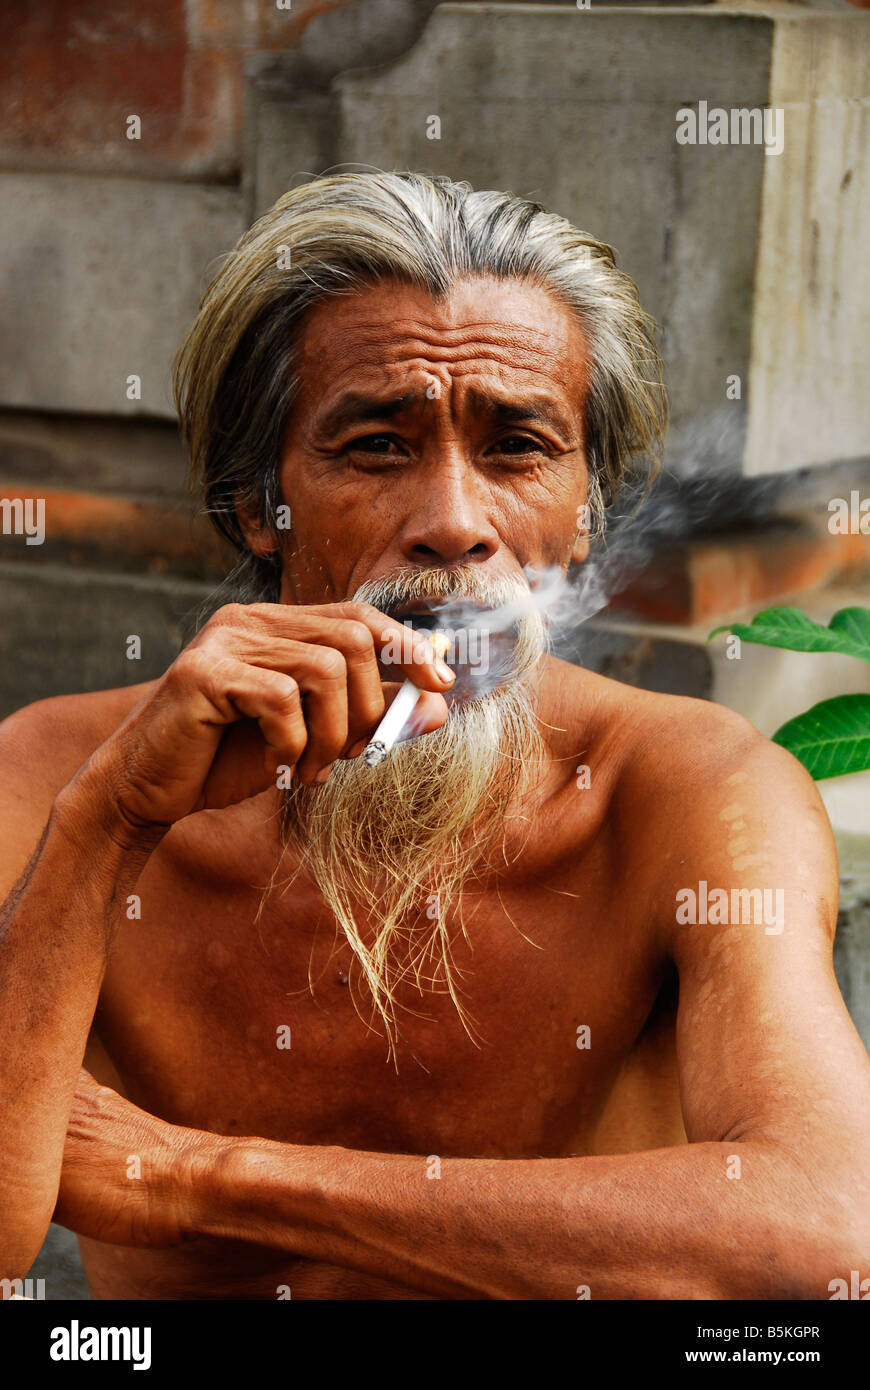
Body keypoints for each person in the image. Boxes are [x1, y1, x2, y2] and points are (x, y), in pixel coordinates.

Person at [1, 172, 867, 1300]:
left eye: (517, 447)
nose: (453, 522)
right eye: (374, 445)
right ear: (261, 501)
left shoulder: (693, 792)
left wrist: (203, 1179)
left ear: (585, 513)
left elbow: (827, 1231)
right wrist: (110, 824)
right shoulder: (49, 779)